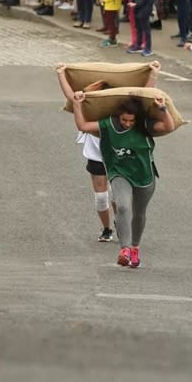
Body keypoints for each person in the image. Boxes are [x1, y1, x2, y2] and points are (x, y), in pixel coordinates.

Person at [70, 89, 174, 269]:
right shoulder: (109, 124)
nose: (127, 124)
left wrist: (163, 109)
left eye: (131, 121)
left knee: (139, 213)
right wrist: (77, 104)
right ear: (118, 116)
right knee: (123, 206)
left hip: (144, 175)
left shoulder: (145, 126)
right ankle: (124, 249)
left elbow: (169, 127)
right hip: (119, 173)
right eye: (124, 120)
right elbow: (83, 126)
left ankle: (135, 248)